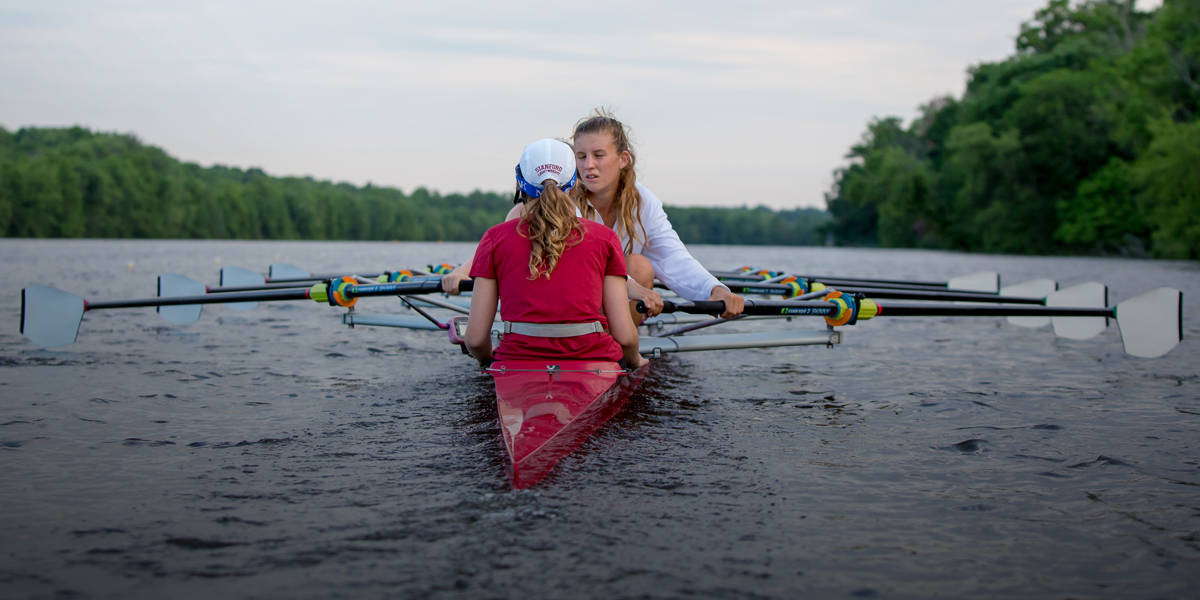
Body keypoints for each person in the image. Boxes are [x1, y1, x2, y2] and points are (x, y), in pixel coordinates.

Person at [444, 111, 745, 321]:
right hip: (563, 303)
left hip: (607, 309)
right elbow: (502, 239)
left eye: (599, 155)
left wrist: (715, 290)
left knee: (639, 266)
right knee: (523, 212)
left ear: (623, 159)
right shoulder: (560, 201)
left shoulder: (644, 203)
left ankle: (618, 348)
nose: (589, 166)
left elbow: (674, 260)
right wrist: (462, 271)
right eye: (580, 156)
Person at [463, 138, 647, 370]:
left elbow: (476, 339)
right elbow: (625, 336)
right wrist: (635, 361)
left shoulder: (494, 238)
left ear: (520, 183)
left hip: (515, 363)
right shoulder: (605, 239)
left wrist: (486, 363)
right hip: (593, 362)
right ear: (575, 184)